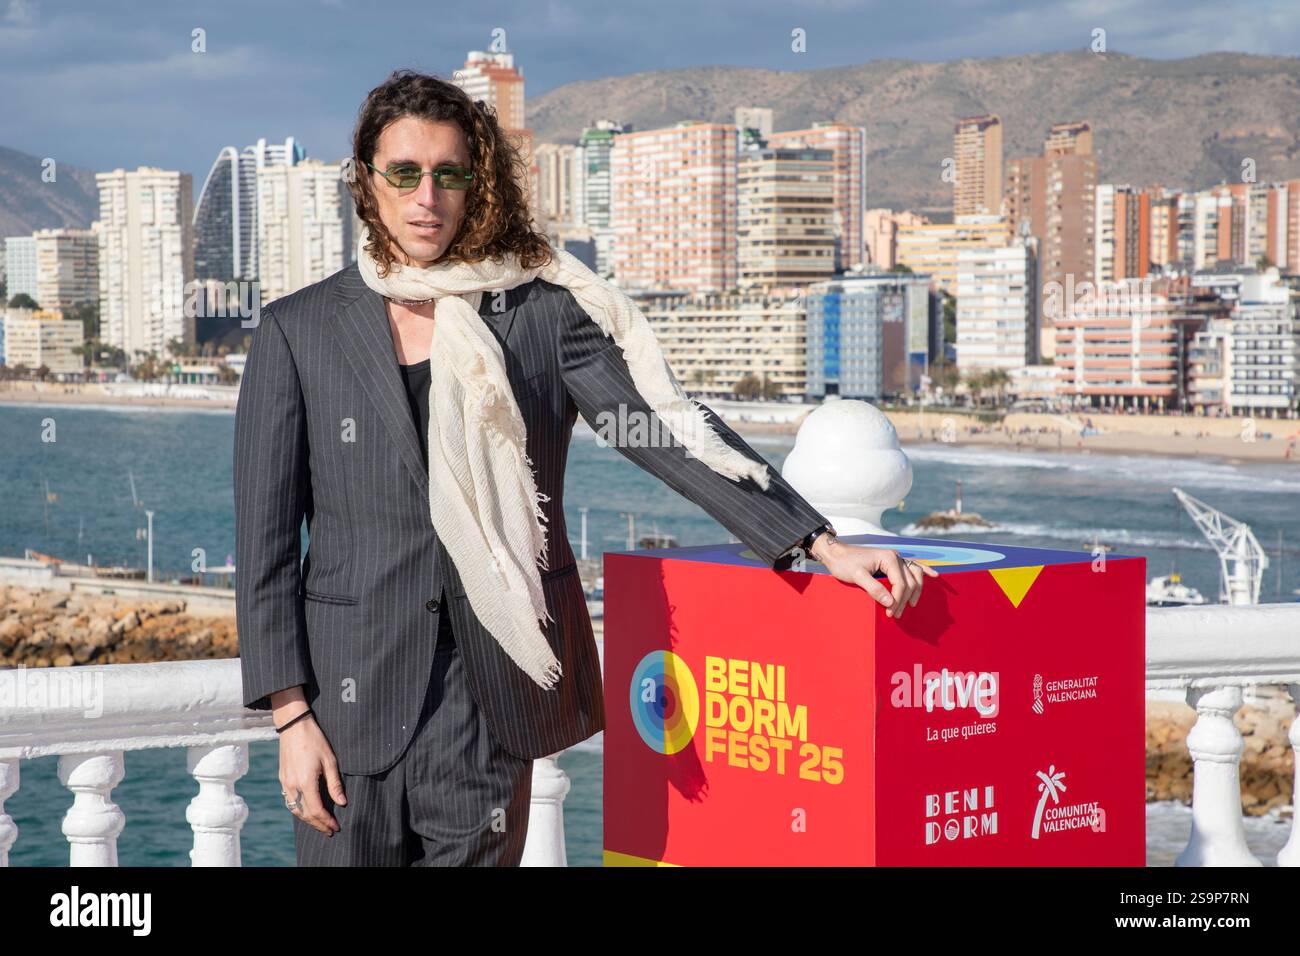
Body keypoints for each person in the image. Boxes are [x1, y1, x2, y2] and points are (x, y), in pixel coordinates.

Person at [234, 69, 937, 867]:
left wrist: (818, 543)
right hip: (346, 706)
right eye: (404, 174)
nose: (426, 196)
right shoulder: (299, 331)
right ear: (367, 181)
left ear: (477, 183)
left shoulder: (537, 313)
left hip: (490, 702)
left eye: (449, 174)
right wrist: (292, 719)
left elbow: (664, 429)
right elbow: (265, 551)